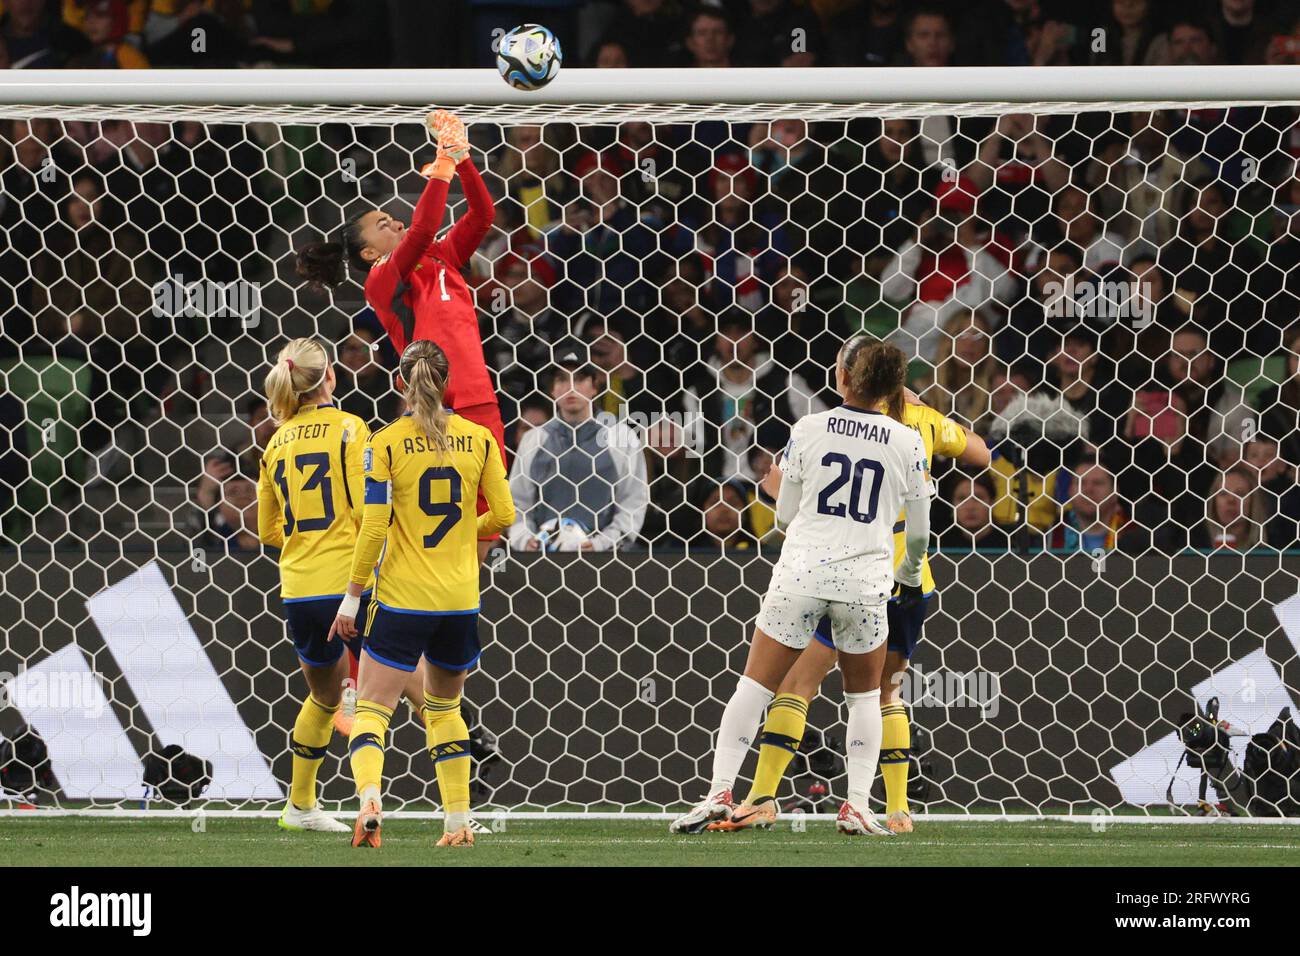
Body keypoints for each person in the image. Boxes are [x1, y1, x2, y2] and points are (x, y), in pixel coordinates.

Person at [672, 345, 990, 835]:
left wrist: (785, 501)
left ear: (842, 376)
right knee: (872, 697)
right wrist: (905, 576)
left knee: (760, 687)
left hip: (803, 574)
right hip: (872, 582)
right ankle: (866, 807)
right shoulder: (910, 436)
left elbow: (782, 517)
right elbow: (936, 515)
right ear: (896, 382)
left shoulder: (808, 429)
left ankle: (725, 793)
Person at [295, 110, 505, 567]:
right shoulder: (382, 279)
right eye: (381, 224)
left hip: (479, 396)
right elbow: (425, 226)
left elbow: (482, 215)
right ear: (369, 253)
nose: (393, 222)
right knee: (438, 514)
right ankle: (423, 599)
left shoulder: (443, 257)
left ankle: (465, 601)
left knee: (490, 515)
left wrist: (464, 159)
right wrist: (444, 160)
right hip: (437, 405)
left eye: (392, 217)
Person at [329, 340, 514, 849]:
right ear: (448, 383)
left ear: (399, 385)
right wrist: (461, 533)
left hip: (401, 601)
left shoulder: (384, 442)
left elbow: (373, 527)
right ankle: (457, 823)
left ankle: (370, 798)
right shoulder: (479, 440)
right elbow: (504, 517)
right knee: (445, 709)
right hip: (459, 602)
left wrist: (350, 597)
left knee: (371, 709)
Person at [255, 337, 369, 834]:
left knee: (325, 698)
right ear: (330, 378)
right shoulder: (351, 428)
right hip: (352, 582)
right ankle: (457, 803)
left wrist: (306, 539)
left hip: (299, 587)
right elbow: (371, 511)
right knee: (421, 688)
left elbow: (266, 531)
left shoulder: (275, 442)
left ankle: (300, 807)